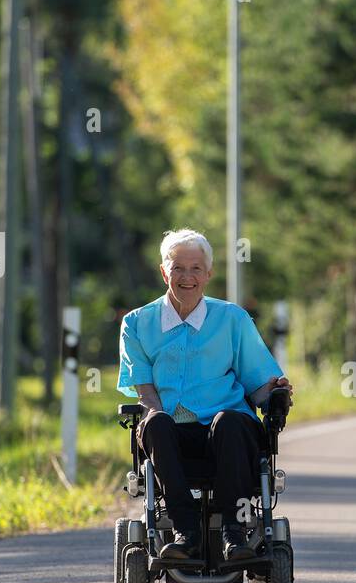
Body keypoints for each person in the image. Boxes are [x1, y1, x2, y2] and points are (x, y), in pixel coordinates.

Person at [117, 228, 293, 562]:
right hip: (172, 433)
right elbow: (145, 392)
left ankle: (234, 532)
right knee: (155, 423)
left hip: (228, 431)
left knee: (229, 421)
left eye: (196, 268)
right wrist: (154, 414)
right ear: (163, 271)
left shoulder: (232, 319)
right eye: (178, 267)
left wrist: (275, 389)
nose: (187, 276)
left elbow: (257, 384)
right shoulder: (138, 324)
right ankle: (186, 532)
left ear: (208, 274)